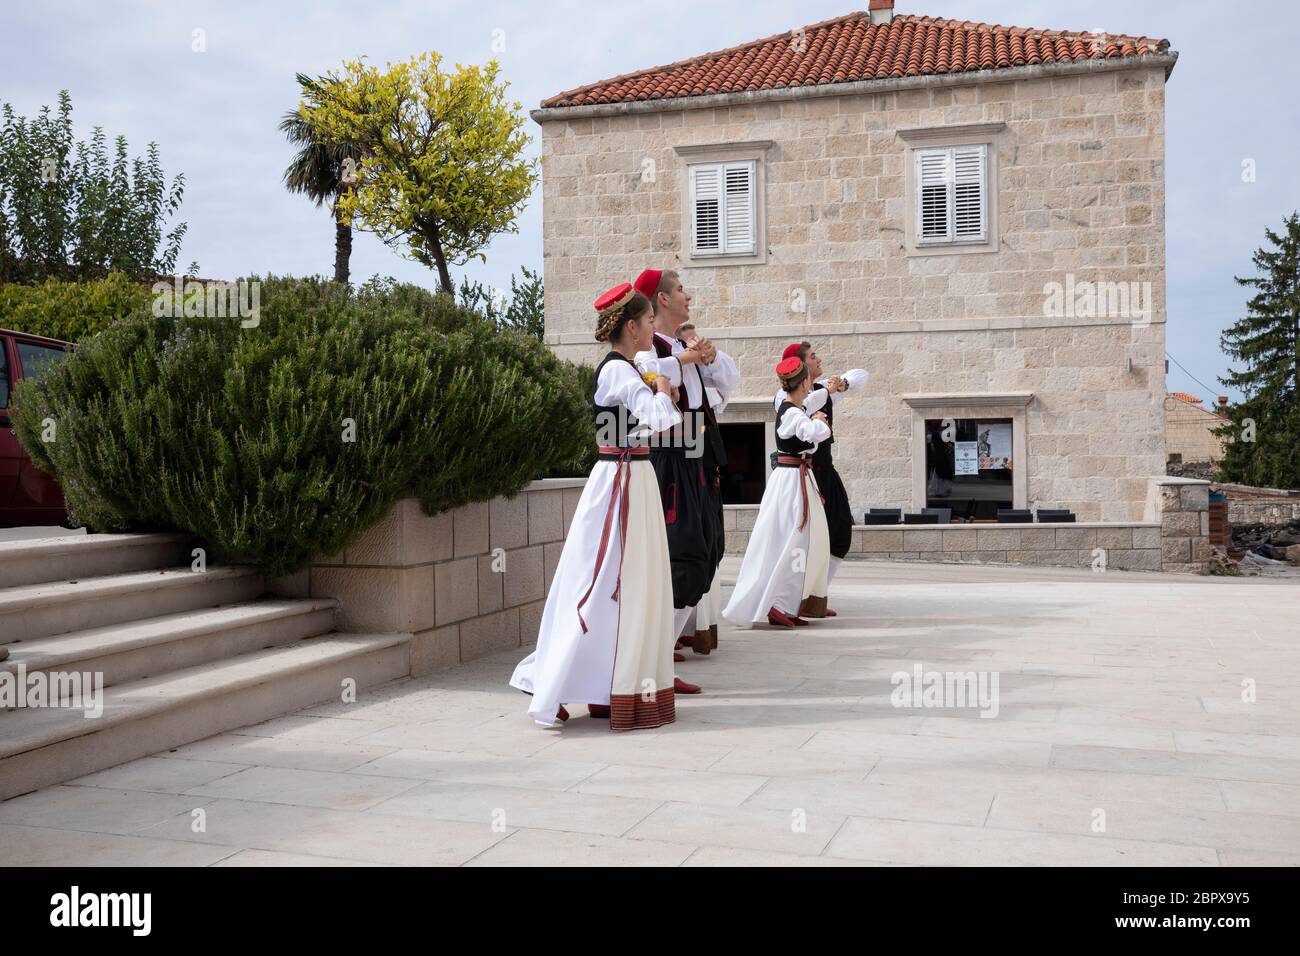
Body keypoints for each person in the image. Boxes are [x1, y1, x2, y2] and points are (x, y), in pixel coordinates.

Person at [509, 283, 679, 730]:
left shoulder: (627, 368)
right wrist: (662, 388)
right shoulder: (616, 372)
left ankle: (605, 683)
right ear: (631, 325)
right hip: (619, 482)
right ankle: (548, 679)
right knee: (597, 581)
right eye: (647, 322)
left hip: (633, 478)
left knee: (625, 588)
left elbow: (651, 425)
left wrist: (656, 383)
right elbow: (662, 420)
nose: (652, 329)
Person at [633, 268, 739, 668]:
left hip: (700, 457)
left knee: (711, 550)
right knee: (685, 556)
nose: (687, 296)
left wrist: (707, 355)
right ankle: (653, 657)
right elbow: (649, 373)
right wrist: (685, 359)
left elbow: (728, 381)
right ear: (662, 299)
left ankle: (661, 648)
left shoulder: (679, 345)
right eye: (680, 290)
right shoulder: (650, 349)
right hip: (672, 459)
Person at [723, 356, 831, 629]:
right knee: (791, 540)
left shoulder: (794, 406)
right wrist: (820, 421)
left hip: (794, 478)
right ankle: (777, 603)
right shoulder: (793, 413)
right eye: (809, 381)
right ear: (805, 381)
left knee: (796, 543)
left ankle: (785, 602)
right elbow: (812, 432)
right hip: (790, 482)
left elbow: (811, 407)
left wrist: (832, 391)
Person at [771, 342, 869, 617]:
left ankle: (815, 596)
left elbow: (861, 375)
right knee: (802, 540)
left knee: (838, 533)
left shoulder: (816, 392)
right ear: (801, 369)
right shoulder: (787, 400)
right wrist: (819, 419)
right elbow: (807, 421)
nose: (819, 359)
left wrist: (842, 384)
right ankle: (788, 599)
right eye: (812, 357)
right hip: (803, 474)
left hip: (824, 469)